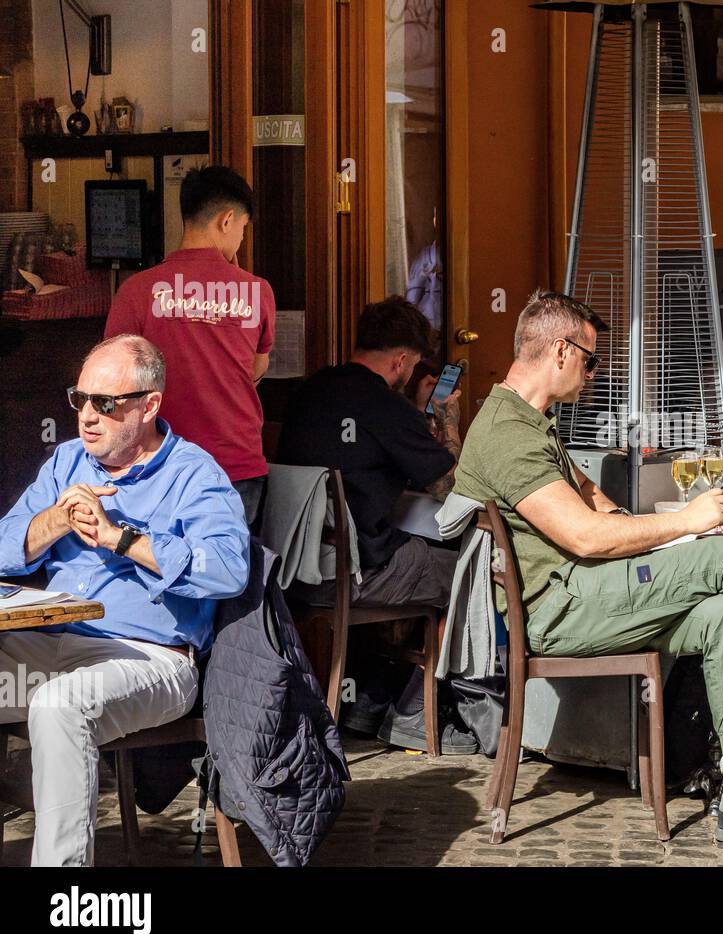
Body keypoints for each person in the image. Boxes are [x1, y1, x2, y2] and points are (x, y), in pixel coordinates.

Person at [453, 290, 723, 853]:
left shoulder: (529, 422)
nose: (594, 376)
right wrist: (682, 523)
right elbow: (584, 536)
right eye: (592, 361)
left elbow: (593, 502)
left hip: (584, 592)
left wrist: (660, 535)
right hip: (562, 608)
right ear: (562, 352)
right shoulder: (508, 434)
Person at [0, 335, 250, 866]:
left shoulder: (194, 474)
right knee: (50, 696)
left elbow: (229, 570)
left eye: (105, 404)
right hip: (51, 641)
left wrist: (121, 538)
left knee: (58, 706)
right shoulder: (67, 462)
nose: (88, 416)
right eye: (80, 399)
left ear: (150, 404)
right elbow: (3, 546)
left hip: (149, 659)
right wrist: (57, 521)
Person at [276, 296, 464, 752]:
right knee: (468, 571)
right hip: (350, 577)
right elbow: (447, 482)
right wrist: (448, 422)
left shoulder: (310, 390)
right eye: (413, 363)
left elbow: (363, 449)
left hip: (291, 573)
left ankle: (367, 701)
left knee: (393, 548)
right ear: (402, 360)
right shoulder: (386, 406)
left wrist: (413, 415)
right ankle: (414, 712)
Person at [104, 165, 276, 527]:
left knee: (155, 570)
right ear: (227, 220)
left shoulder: (137, 290)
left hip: (156, 466)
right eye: (243, 229)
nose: (241, 240)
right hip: (234, 463)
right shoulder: (256, 290)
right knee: (227, 575)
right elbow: (256, 369)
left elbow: (111, 380)